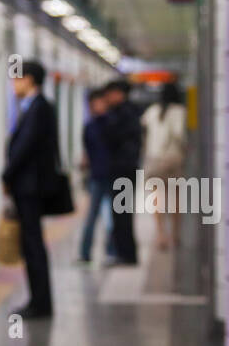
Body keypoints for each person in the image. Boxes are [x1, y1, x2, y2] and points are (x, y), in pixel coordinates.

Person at [3, 59, 58, 318]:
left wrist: (7, 175)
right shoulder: (33, 107)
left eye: (17, 78)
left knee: (33, 244)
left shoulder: (38, 108)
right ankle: (38, 299)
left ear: (30, 80)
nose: (14, 84)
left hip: (30, 188)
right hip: (28, 186)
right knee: (31, 243)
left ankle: (40, 302)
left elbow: (25, 148)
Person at [141, 81, 188, 249]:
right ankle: (175, 235)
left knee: (157, 199)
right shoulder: (180, 112)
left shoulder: (152, 111)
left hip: (154, 160)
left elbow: (144, 131)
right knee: (175, 200)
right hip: (173, 160)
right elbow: (180, 135)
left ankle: (161, 235)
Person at [102, 80, 141, 266]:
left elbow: (113, 137)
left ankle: (126, 255)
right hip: (124, 169)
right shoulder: (128, 112)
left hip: (123, 170)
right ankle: (124, 253)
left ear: (119, 93)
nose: (107, 98)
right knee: (121, 213)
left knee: (122, 213)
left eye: (110, 94)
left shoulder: (123, 114)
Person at [77, 86, 116, 265]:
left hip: (112, 176)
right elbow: (87, 150)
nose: (97, 106)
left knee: (110, 217)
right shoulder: (89, 127)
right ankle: (85, 253)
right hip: (96, 176)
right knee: (91, 216)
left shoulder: (112, 123)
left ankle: (111, 251)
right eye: (93, 103)